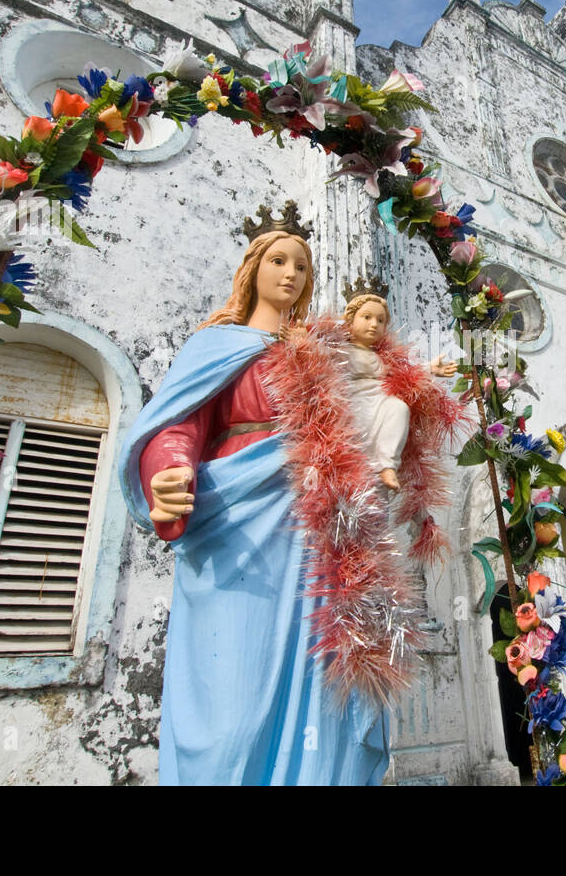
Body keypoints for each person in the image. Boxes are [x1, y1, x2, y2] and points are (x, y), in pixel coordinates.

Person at [116, 201, 392, 786]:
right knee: (231, 707)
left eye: (301, 265)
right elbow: (176, 426)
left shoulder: (319, 359)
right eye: (278, 259)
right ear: (253, 268)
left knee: (322, 680)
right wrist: (168, 470)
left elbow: (357, 429)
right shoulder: (215, 347)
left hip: (316, 525)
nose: (290, 273)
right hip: (237, 525)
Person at [342, 292, 457, 492]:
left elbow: (405, 373)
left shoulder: (383, 358)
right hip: (355, 402)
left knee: (399, 408)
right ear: (350, 321)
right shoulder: (341, 351)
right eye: (367, 317)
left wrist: (430, 368)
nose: (374, 324)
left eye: (380, 320)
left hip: (381, 401)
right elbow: (316, 362)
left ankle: (387, 465)